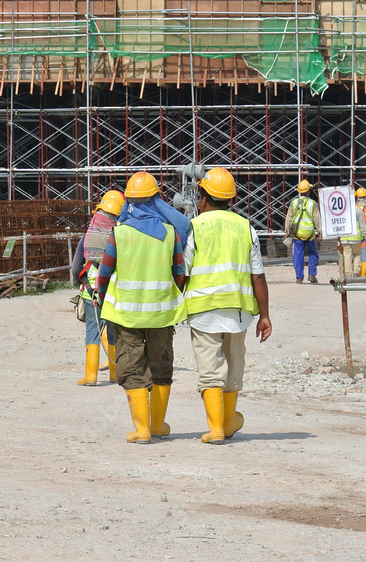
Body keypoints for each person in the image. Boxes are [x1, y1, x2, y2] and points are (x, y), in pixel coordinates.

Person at [97, 171, 191, 444]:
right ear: (156, 200)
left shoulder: (119, 234)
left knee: (132, 367)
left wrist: (103, 297)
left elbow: (104, 273)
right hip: (161, 314)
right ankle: (158, 424)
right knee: (160, 367)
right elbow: (179, 272)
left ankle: (142, 429)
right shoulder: (171, 234)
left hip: (127, 315)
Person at [183, 168, 272, 444]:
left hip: (203, 310)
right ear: (230, 199)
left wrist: (174, 306)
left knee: (210, 369)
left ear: (204, 198)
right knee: (234, 366)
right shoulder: (245, 227)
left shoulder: (194, 227)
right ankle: (228, 421)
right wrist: (265, 316)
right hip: (238, 312)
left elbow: (182, 272)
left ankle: (217, 428)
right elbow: (258, 275)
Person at [70, 190, 125, 386]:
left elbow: (76, 268)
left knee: (92, 332)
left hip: (90, 293)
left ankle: (91, 376)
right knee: (112, 332)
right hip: (111, 294)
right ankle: (114, 374)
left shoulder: (87, 239)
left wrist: (85, 284)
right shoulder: (119, 238)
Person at [284, 180, 321, 284]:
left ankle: (299, 278)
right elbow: (317, 219)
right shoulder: (312, 204)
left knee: (298, 256)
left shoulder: (294, 203)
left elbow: (289, 217)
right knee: (313, 254)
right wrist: (320, 232)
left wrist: (287, 231)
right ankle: (312, 275)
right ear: (308, 191)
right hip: (310, 233)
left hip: (297, 234)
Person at [338, 189, 366, 281]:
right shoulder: (357, 210)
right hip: (356, 238)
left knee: (347, 256)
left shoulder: (341, 210)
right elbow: (362, 224)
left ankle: (348, 274)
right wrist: (365, 235)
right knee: (358, 255)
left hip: (344, 238)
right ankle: (356, 272)